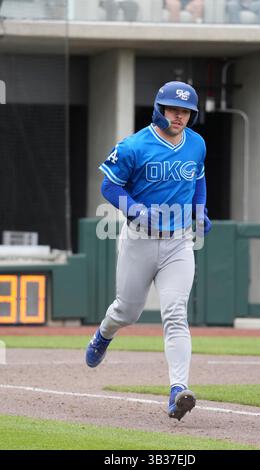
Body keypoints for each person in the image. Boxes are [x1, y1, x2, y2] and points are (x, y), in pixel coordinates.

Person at [85, 81, 212, 421]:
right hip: (139, 238)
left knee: (174, 314)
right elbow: (109, 185)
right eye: (173, 109)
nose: (179, 116)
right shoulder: (134, 145)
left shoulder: (196, 144)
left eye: (185, 111)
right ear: (159, 109)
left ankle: (177, 392)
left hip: (179, 242)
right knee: (127, 311)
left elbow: (198, 180)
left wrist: (201, 209)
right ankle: (103, 333)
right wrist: (136, 208)